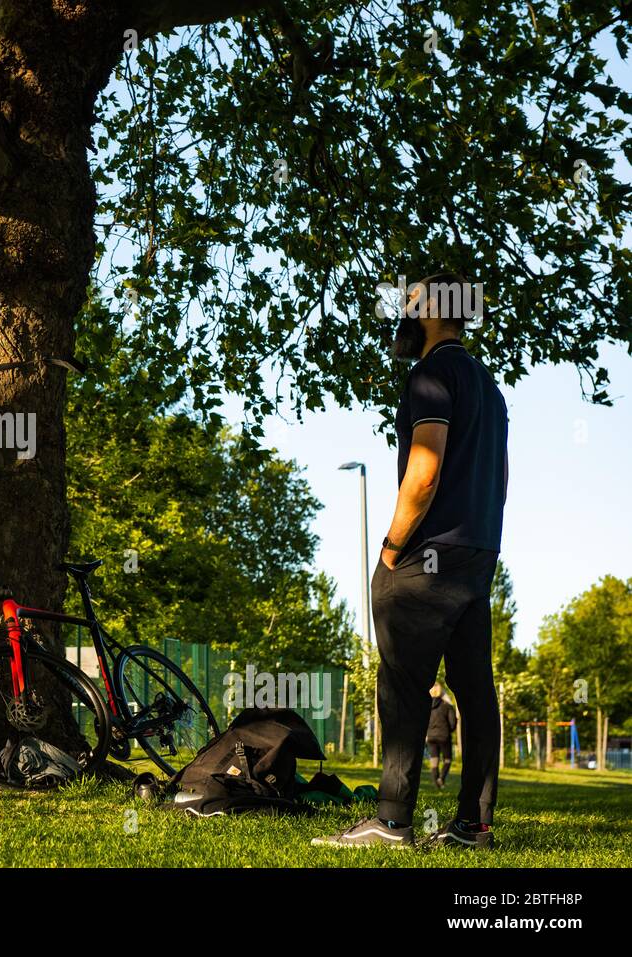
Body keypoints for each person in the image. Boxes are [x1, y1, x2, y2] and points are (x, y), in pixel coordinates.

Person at [315, 272, 507, 851]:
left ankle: (393, 820)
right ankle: (474, 826)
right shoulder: (489, 387)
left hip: (426, 557)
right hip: (477, 554)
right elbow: (498, 480)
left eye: (408, 299)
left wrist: (391, 550)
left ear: (427, 308)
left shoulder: (431, 375)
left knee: (402, 684)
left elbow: (422, 473)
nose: (401, 307)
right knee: (476, 693)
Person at [426, 683, 457, 789]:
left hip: (430, 736)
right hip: (444, 736)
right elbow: (453, 723)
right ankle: (441, 778)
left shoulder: (427, 706)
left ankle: (436, 783)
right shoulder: (447, 705)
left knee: (434, 759)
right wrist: (450, 730)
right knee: (447, 759)